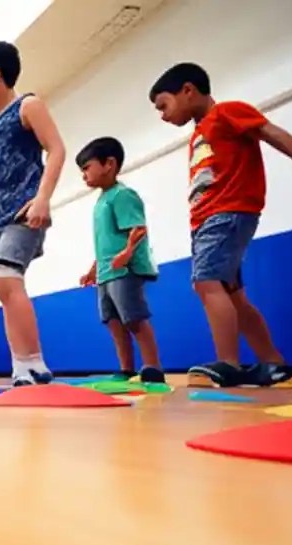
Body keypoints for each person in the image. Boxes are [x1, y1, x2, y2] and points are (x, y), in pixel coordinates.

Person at [149, 62, 292, 387]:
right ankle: (272, 361)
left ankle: (228, 362)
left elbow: (271, 132)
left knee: (205, 282)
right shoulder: (201, 132)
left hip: (226, 214)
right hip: (210, 219)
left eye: (164, 105)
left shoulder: (227, 112)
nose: (162, 115)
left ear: (188, 91)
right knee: (233, 295)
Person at [0, 41, 66, 386]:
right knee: (2, 287)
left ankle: (34, 362)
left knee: (8, 279)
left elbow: (56, 149)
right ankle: (21, 364)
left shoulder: (28, 106)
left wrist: (43, 199)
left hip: (23, 212)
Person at [75, 137, 165, 383]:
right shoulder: (100, 201)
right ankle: (126, 369)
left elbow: (138, 228)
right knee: (113, 322)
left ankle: (152, 367)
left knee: (134, 318)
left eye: (86, 167)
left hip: (123, 271)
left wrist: (126, 253)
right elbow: (104, 243)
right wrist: (93, 269)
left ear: (109, 164)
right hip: (106, 273)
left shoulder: (122, 195)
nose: (84, 175)